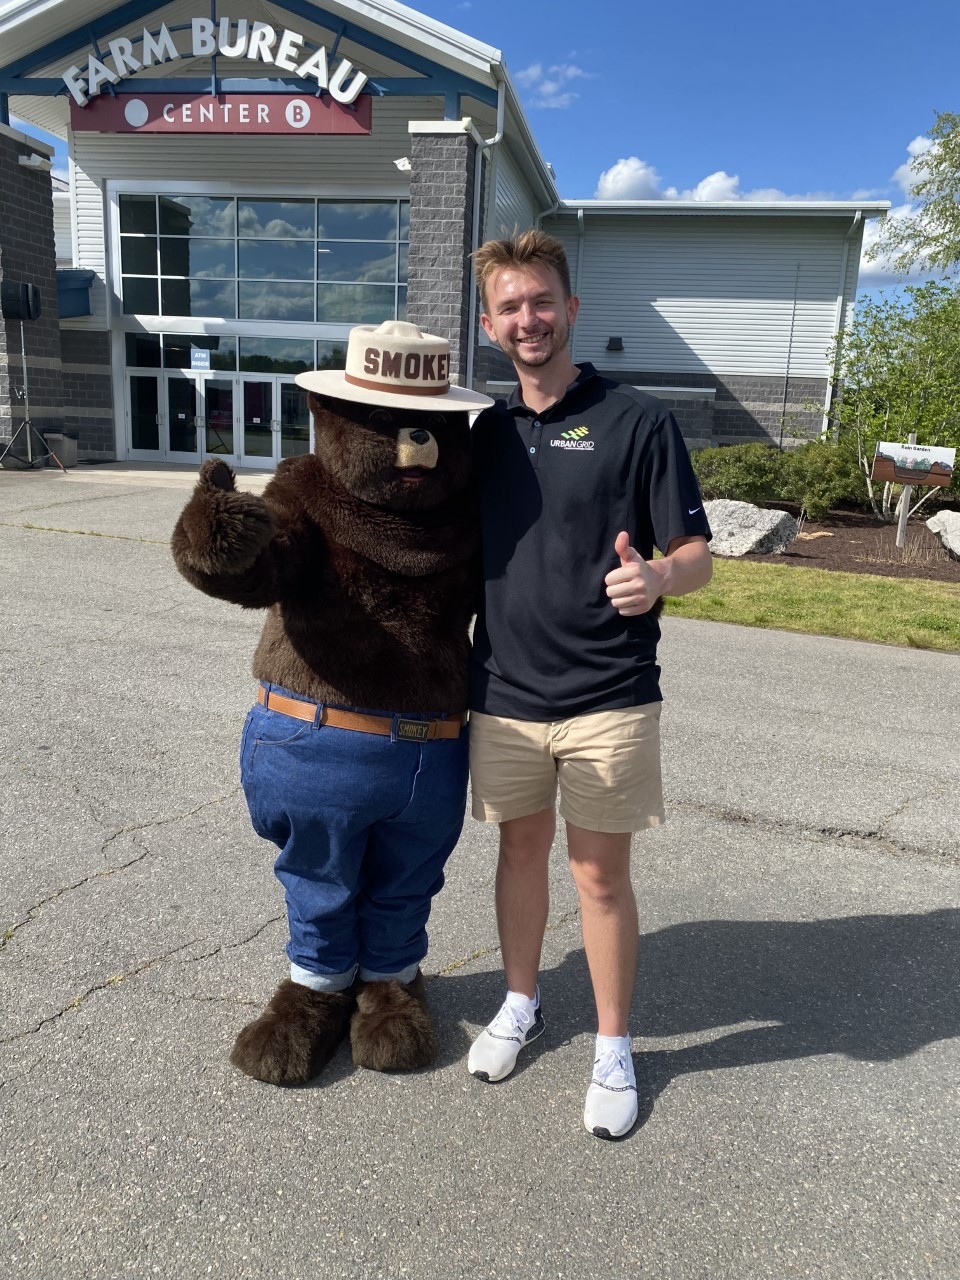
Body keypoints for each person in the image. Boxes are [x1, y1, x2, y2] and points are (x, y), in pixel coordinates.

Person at [465, 229, 713, 1139]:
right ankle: (521, 1002)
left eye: (541, 302)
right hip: (502, 692)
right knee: (517, 857)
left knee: (599, 879)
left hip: (610, 690)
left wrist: (656, 579)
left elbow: (696, 557)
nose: (527, 320)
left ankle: (614, 1047)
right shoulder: (482, 434)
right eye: (509, 308)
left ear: (570, 310)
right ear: (491, 327)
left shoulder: (638, 421)